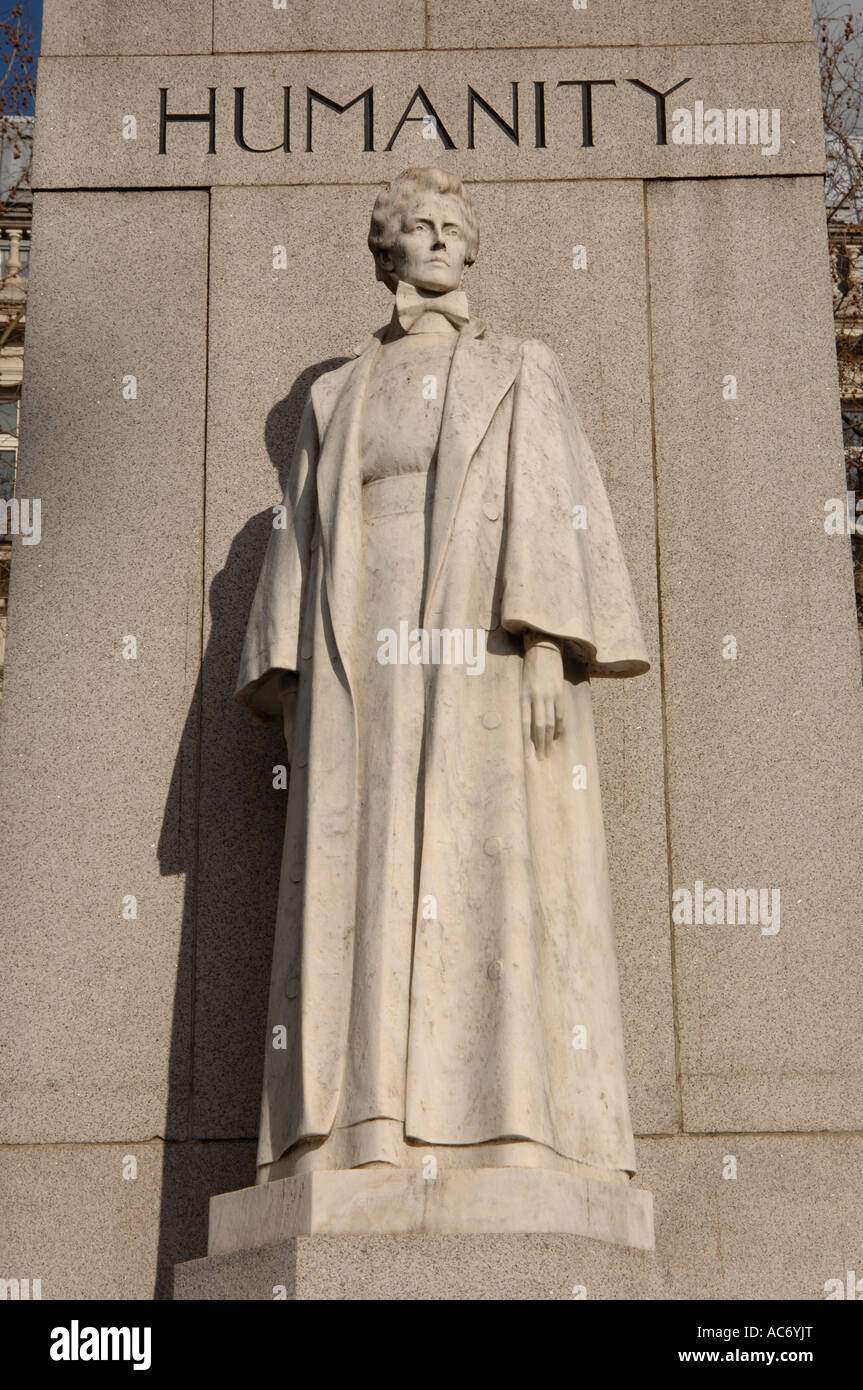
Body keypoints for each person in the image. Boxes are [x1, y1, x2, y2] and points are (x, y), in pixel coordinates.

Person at [236, 166, 650, 1186]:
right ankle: (354, 1127)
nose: (431, 240)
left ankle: (508, 1118)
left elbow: (553, 507)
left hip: (481, 641)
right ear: (384, 252)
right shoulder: (336, 394)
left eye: (447, 226)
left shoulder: (520, 368)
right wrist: (288, 679)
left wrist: (549, 648)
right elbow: (303, 540)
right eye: (412, 228)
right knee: (359, 871)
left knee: (488, 865)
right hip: (360, 647)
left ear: (469, 250)